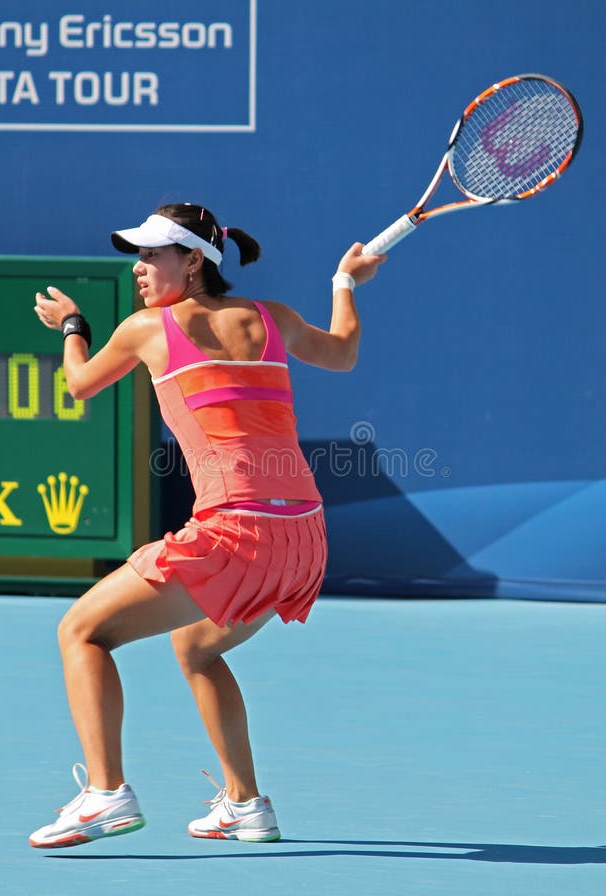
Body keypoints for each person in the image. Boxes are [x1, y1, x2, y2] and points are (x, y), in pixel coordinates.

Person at [28, 202, 385, 849]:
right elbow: (343, 352)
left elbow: (78, 384)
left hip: (235, 533)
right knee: (196, 648)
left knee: (80, 631)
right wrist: (344, 284)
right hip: (302, 538)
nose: (139, 268)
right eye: (137, 255)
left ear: (195, 261)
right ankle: (246, 804)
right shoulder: (271, 318)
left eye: (152, 254)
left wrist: (72, 324)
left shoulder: (148, 329)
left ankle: (106, 794)